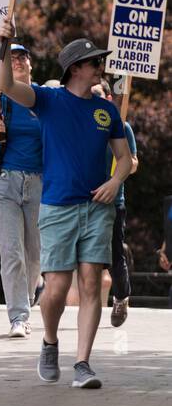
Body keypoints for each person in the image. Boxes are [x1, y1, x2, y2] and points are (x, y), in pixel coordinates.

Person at [0, 21, 132, 390]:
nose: (100, 65)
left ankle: (83, 363)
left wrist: (114, 181)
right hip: (57, 208)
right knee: (55, 288)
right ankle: (50, 341)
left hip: (98, 210)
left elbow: (125, 159)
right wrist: (4, 47)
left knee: (91, 283)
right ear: (75, 68)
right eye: (93, 61)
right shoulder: (49, 99)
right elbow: (6, 86)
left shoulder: (108, 112)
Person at [0, 43, 42, 337]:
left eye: (22, 57)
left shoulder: (43, 99)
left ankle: (25, 302)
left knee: (35, 254)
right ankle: (19, 316)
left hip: (39, 183)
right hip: (3, 182)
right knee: (12, 253)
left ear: (30, 64)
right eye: (10, 58)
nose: (16, 62)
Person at [91, 79, 138, 328]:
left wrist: (124, 166)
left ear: (109, 98)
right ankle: (90, 306)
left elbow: (134, 162)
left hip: (113, 202)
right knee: (87, 258)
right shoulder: (82, 125)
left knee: (114, 255)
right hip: (86, 200)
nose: (93, 98)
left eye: (98, 94)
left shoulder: (122, 127)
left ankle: (121, 297)